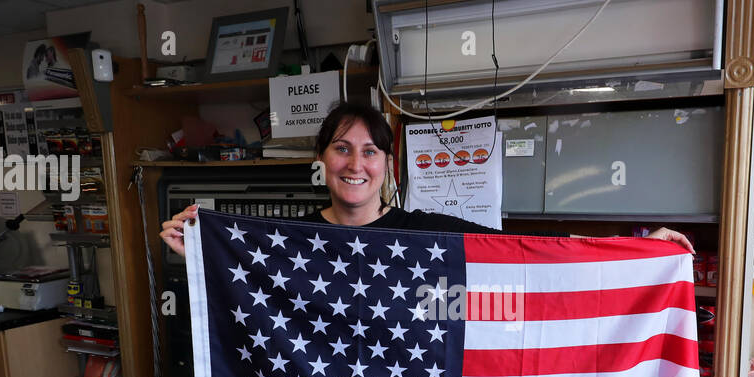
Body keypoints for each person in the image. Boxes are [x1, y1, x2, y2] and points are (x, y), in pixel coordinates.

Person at [159, 101, 695, 254]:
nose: (355, 164)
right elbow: (239, 293)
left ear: (387, 165)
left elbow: (525, 247)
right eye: (341, 149)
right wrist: (199, 251)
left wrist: (634, 243)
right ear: (322, 159)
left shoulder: (425, 230)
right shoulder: (294, 239)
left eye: (370, 151)